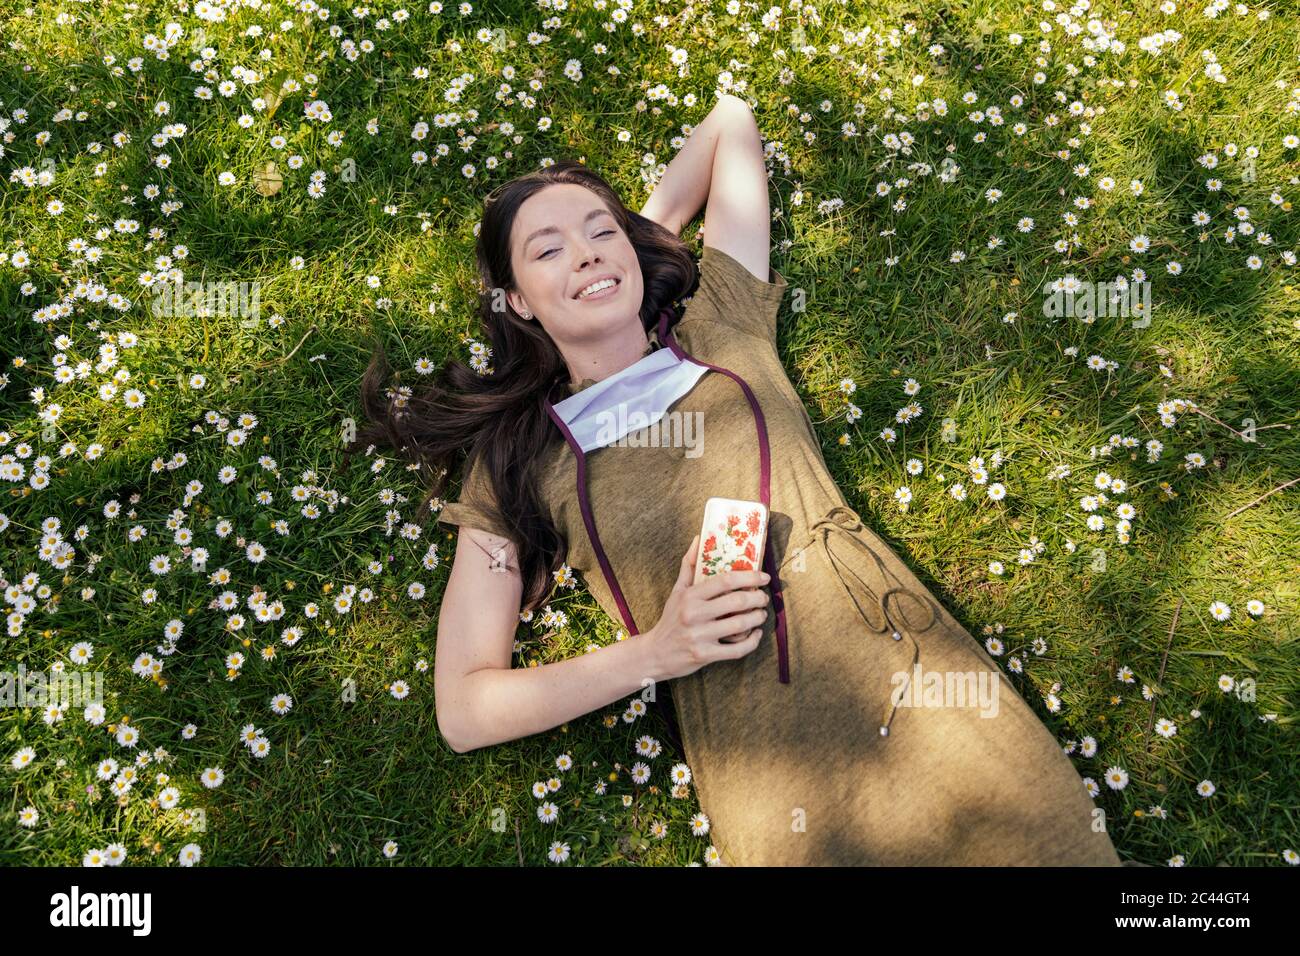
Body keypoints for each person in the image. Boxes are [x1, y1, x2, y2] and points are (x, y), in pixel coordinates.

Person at [347, 95, 1132, 866]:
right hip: (776, 774)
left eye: (601, 231)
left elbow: (730, 124)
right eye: (548, 251)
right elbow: (465, 709)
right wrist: (657, 653)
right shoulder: (519, 456)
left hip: (927, 689)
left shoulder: (719, 317)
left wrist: (623, 252)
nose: (585, 252)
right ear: (515, 299)